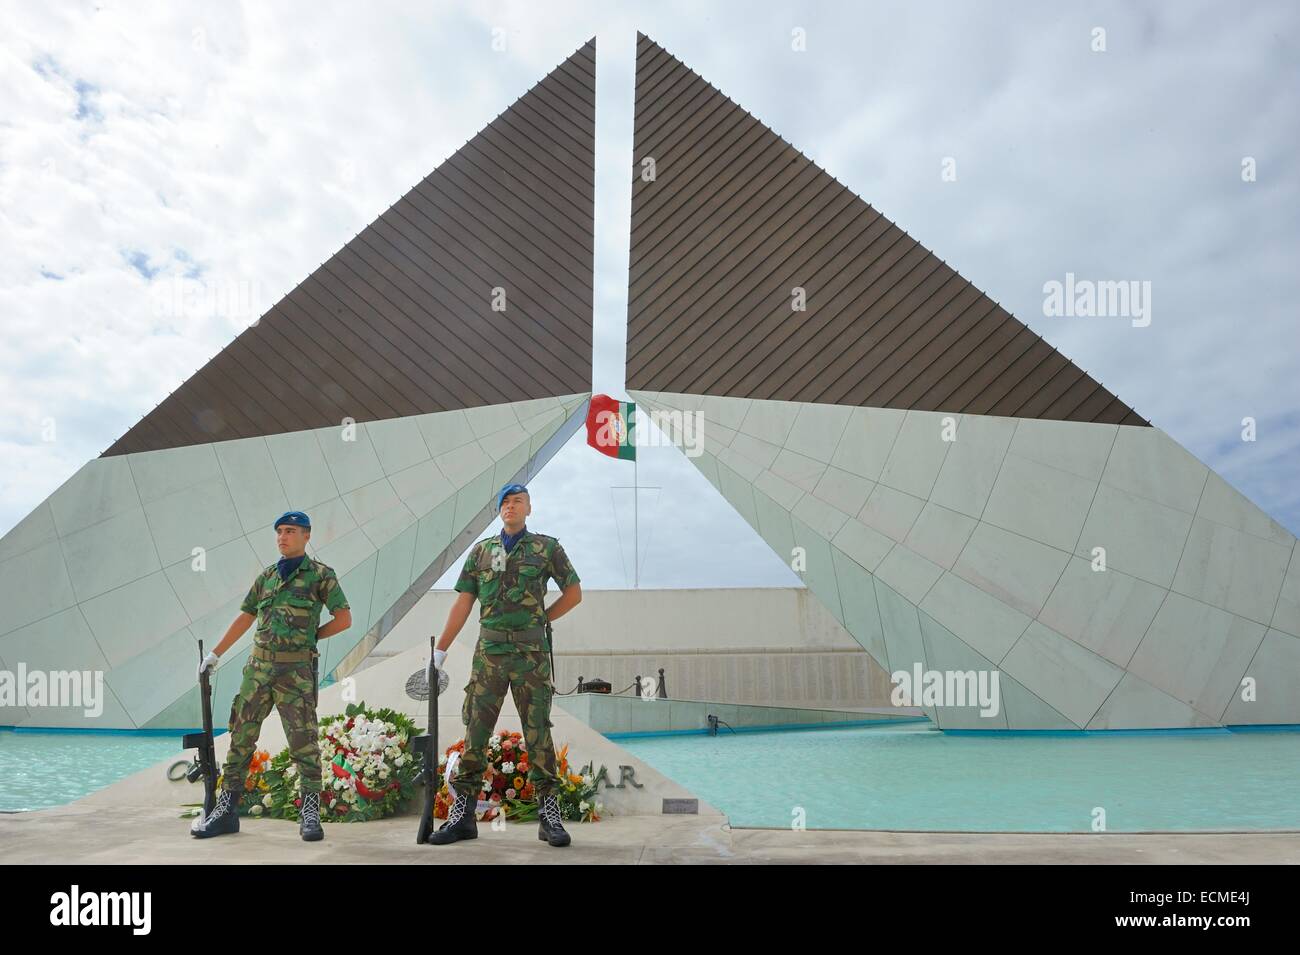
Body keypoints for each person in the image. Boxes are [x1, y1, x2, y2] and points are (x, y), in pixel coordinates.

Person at [427, 482, 582, 847]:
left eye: (518, 501)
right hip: (489, 656)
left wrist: (542, 620)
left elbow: (574, 593)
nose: (511, 507)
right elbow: (463, 603)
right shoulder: (481, 552)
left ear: (529, 508)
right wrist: (441, 651)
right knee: (475, 736)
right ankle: (462, 816)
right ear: (499, 510)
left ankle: (549, 817)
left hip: (531, 658)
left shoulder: (547, 548)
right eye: (505, 503)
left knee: (538, 734)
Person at [190, 510, 351, 841]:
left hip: (296, 673)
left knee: (304, 743)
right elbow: (245, 618)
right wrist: (215, 654)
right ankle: (226, 810)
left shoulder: (321, 575)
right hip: (258, 670)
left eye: (290, 531)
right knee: (240, 739)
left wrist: (312, 637)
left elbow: (344, 618)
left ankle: (310, 813)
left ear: (307, 535)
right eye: (279, 531)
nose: (282, 537)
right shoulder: (266, 577)